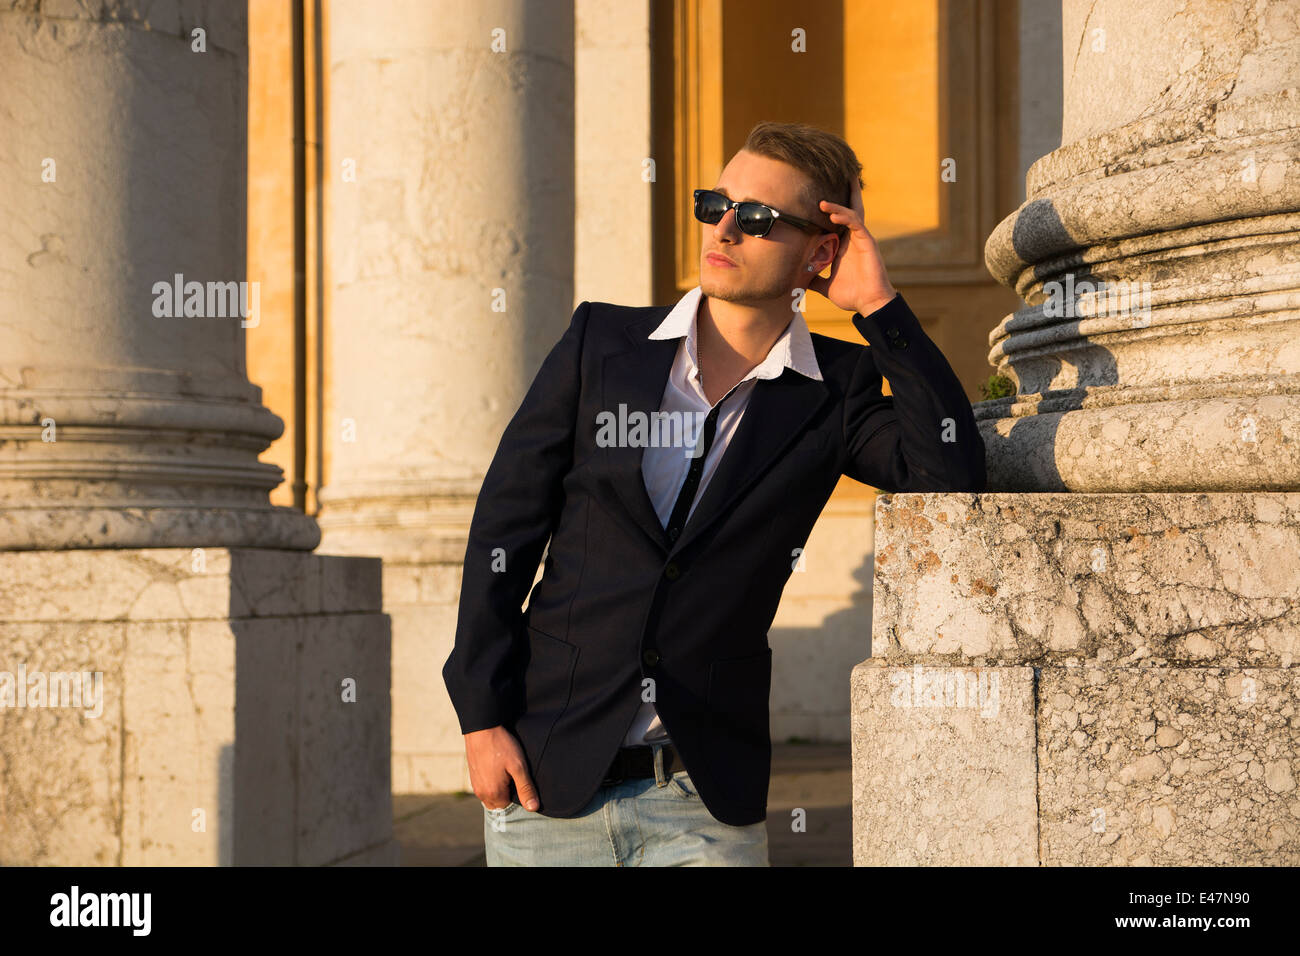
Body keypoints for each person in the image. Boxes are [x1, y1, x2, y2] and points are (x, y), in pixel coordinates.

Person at [443, 120, 986, 866]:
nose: (724, 228)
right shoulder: (601, 344)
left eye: (758, 218)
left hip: (701, 800)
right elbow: (505, 530)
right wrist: (480, 716)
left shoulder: (836, 389)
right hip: (547, 783)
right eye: (715, 204)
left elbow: (951, 475)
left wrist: (880, 309)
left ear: (819, 251)